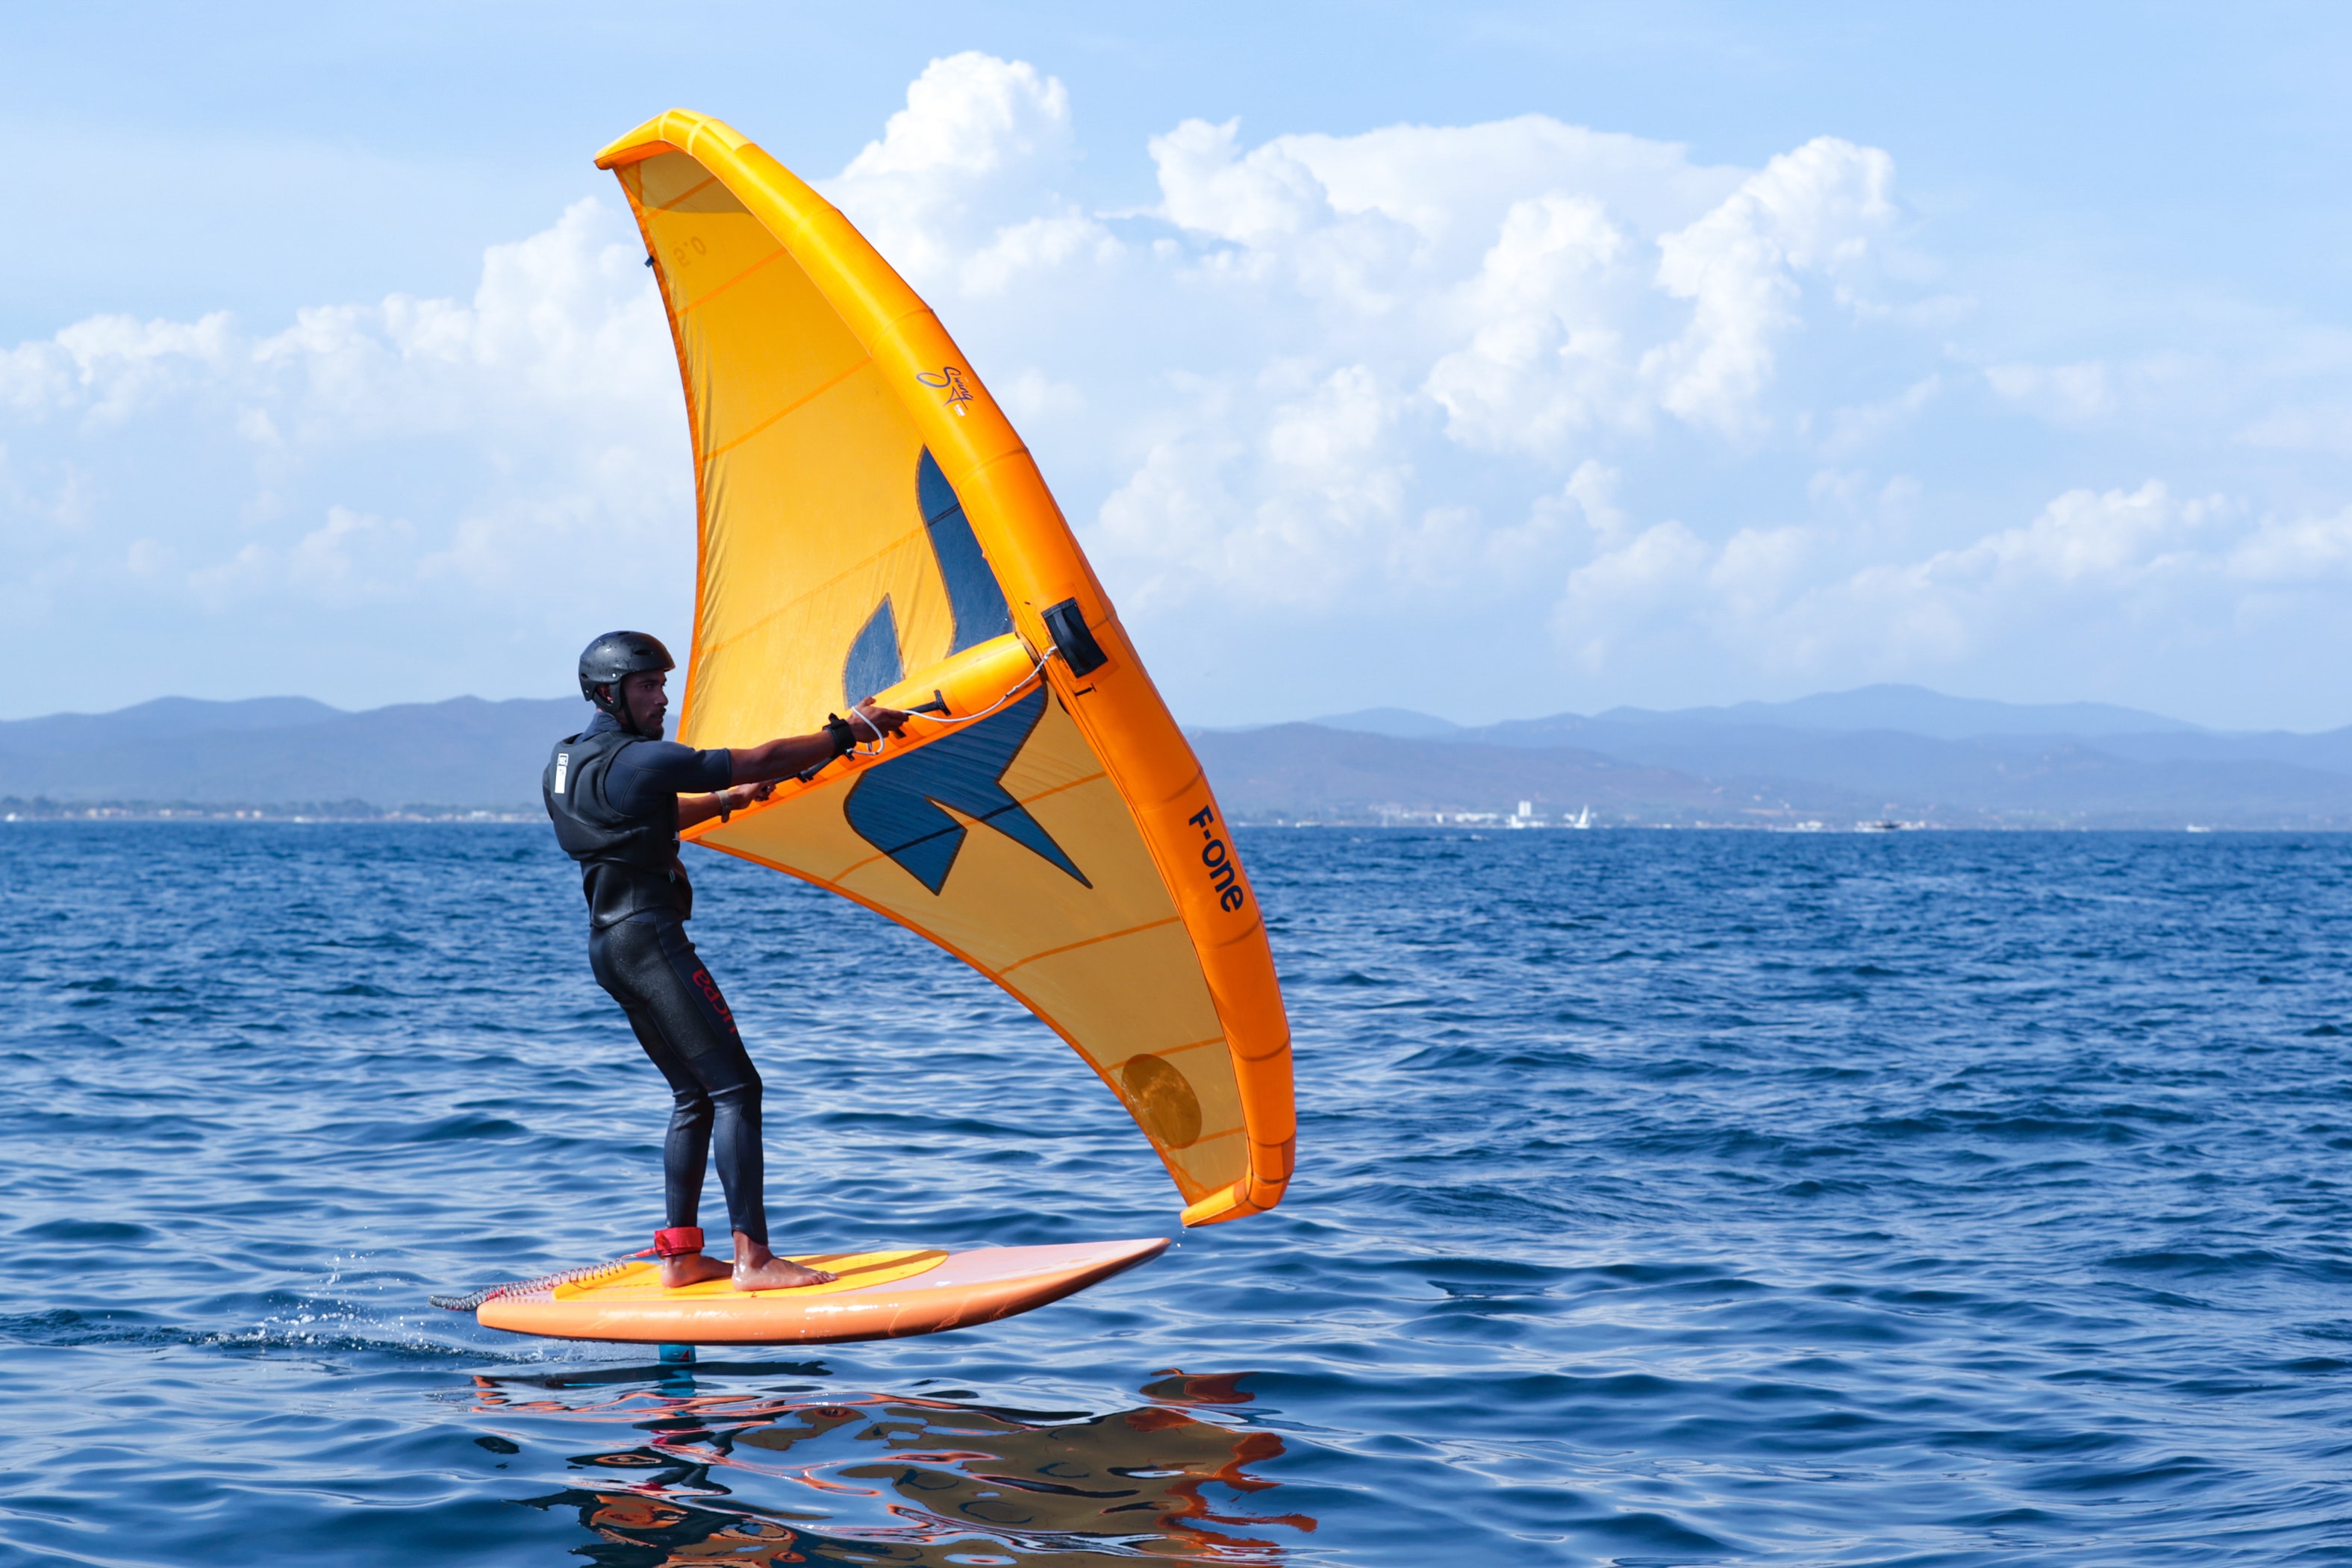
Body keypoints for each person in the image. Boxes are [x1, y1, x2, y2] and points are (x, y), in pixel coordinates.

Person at [543, 631, 908, 1290]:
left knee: (694, 1095)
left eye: (662, 683)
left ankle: (681, 1257)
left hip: (609, 947)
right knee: (737, 1089)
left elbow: (629, 820)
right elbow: (755, 758)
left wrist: (722, 804)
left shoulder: (566, 763)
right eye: (647, 686)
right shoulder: (643, 759)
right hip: (652, 942)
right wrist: (845, 732)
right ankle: (754, 1259)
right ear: (608, 693)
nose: (662, 698)